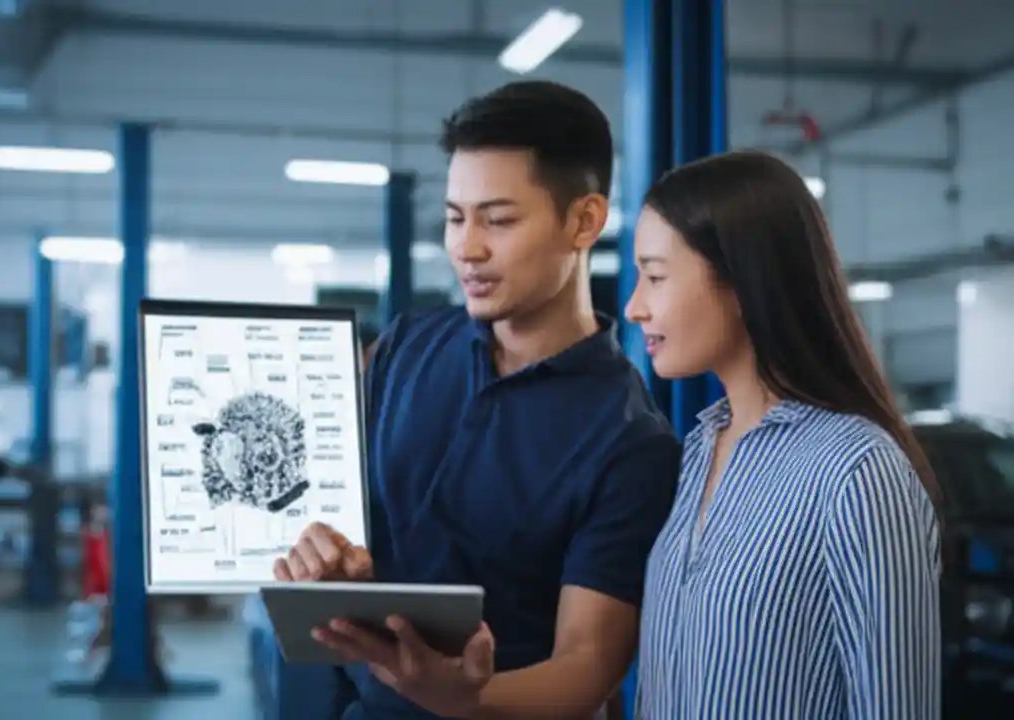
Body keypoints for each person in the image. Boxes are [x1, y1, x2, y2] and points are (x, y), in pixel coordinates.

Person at [273, 80, 681, 719]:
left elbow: (587, 667)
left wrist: (461, 699)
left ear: (585, 221)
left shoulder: (630, 442)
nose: (468, 248)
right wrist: (330, 563)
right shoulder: (408, 347)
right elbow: (335, 520)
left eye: (499, 219)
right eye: (456, 218)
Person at [625, 150, 943, 719]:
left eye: (654, 277)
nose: (633, 307)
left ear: (742, 283)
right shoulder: (700, 448)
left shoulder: (857, 470)